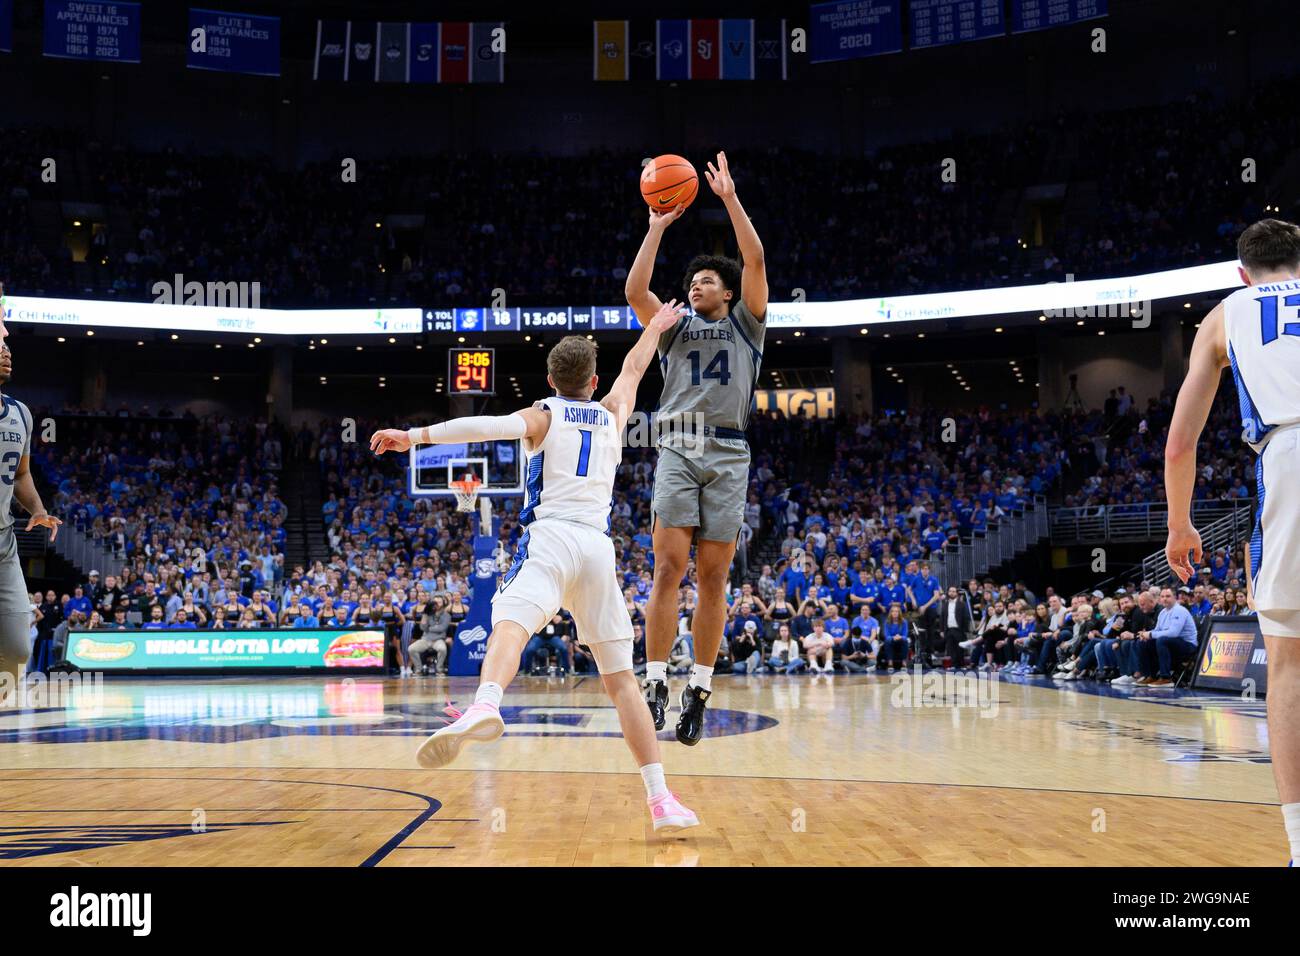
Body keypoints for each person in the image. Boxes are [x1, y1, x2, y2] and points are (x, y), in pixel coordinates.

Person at [370, 298, 699, 832]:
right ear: (594, 381)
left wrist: (415, 438)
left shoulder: (542, 415)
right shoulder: (614, 410)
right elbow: (637, 365)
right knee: (622, 683)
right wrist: (658, 325)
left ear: (551, 378)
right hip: (597, 548)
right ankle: (661, 800)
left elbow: (482, 428)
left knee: (511, 626)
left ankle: (485, 703)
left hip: (549, 540)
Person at [1164, 218, 1300, 866]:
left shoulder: (1225, 314)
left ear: (1243, 274)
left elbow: (1180, 443)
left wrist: (1180, 524)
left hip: (1290, 456)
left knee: (1289, 665)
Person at [626, 151, 769, 746]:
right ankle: (656, 680)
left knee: (714, 579)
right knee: (668, 568)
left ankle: (699, 691)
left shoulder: (747, 324)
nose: (694, 285)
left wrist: (729, 198)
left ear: (731, 293)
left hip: (731, 454)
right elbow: (636, 288)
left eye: (706, 280)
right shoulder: (674, 326)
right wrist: (657, 225)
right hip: (680, 447)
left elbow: (756, 257)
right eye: (691, 281)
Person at [0, 292, 62, 702]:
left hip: (3, 543)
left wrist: (37, 508)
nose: (7, 353)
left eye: (7, 348)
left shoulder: (21, 412)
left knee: (18, 650)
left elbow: (21, 474)